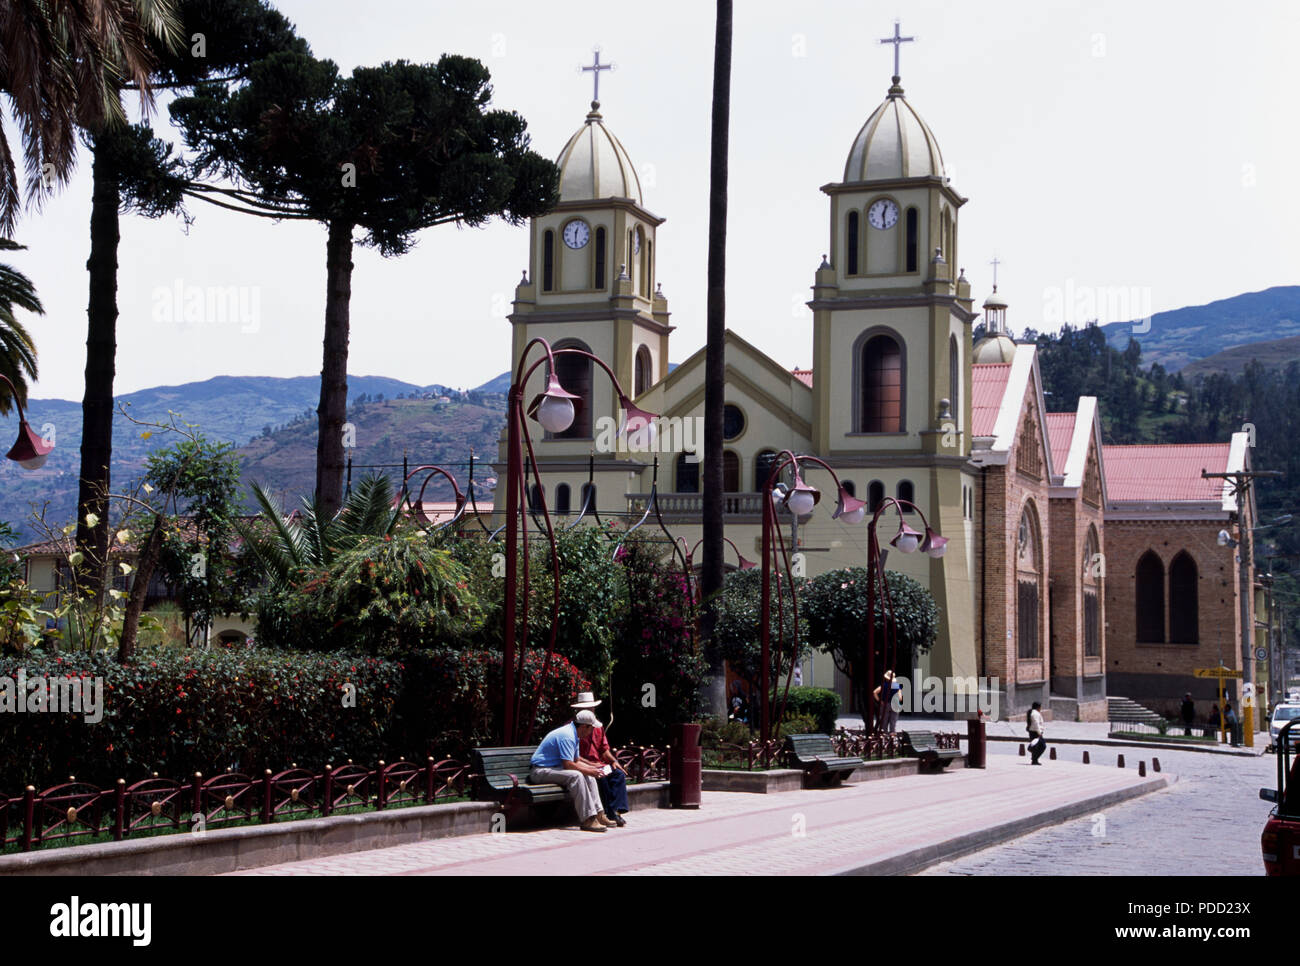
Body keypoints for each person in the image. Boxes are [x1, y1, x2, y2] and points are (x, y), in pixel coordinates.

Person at [530, 708, 612, 832]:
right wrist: (590, 771)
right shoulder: (567, 736)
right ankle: (588, 819)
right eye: (592, 728)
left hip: (553, 769)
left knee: (587, 775)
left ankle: (599, 814)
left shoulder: (575, 734)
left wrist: (593, 768)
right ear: (584, 726)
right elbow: (568, 765)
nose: (593, 731)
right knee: (577, 776)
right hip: (540, 772)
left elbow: (575, 760)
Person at [574, 693, 629, 827]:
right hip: (584, 765)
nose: (591, 710)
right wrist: (592, 765)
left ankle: (614, 811)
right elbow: (574, 756)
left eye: (592, 708)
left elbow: (604, 749)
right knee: (602, 778)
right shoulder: (575, 727)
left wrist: (614, 761)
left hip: (599, 763)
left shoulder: (598, 726)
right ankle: (609, 814)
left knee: (618, 775)